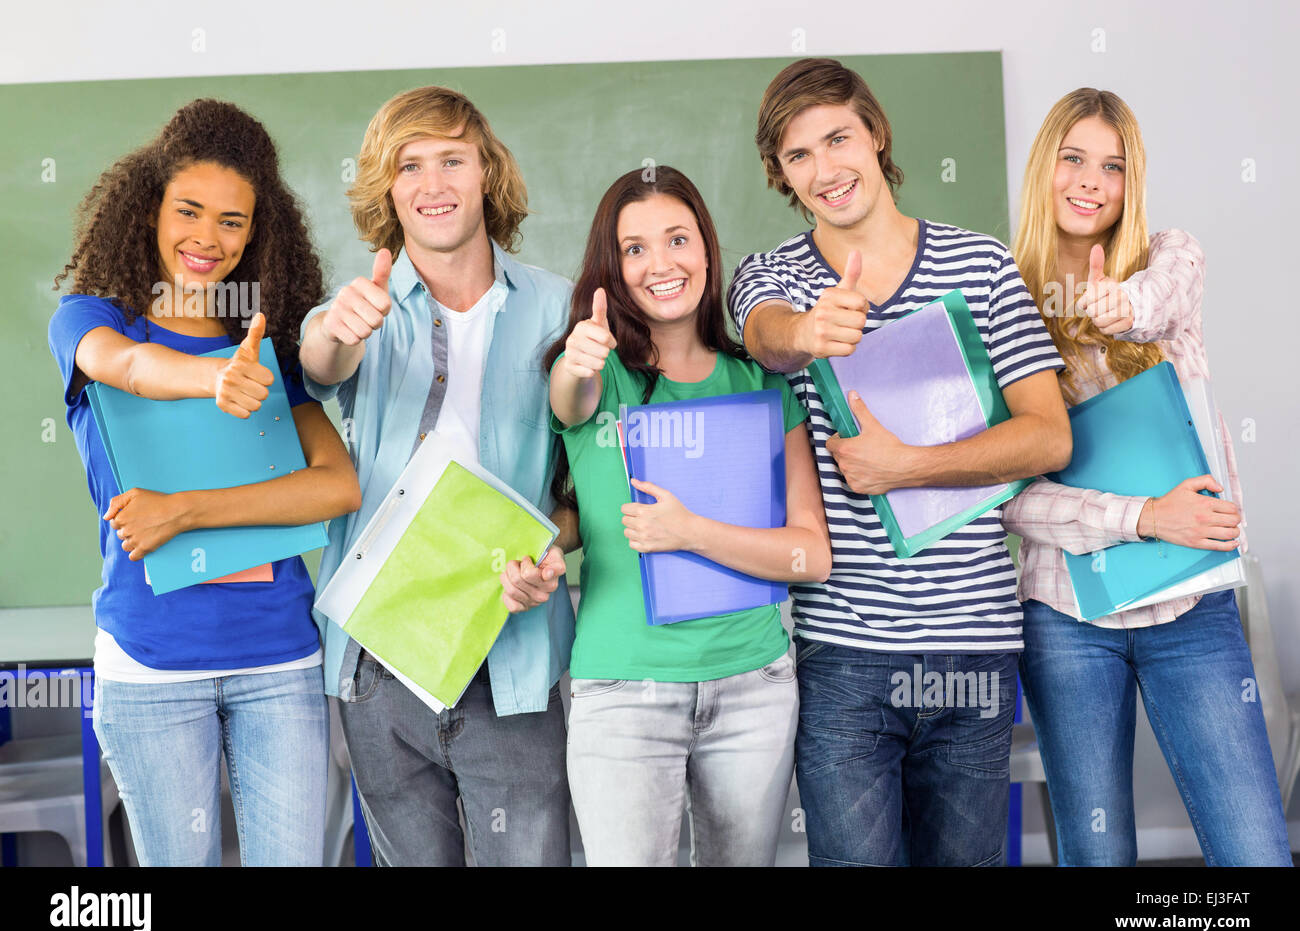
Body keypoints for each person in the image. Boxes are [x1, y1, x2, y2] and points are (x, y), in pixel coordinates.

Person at [727, 58, 1072, 866]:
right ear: (780, 173)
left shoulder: (981, 268)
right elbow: (762, 334)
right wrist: (810, 332)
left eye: (838, 138)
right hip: (844, 655)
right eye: (797, 155)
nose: (825, 169)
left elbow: (1048, 435)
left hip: (973, 643)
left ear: (876, 134)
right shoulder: (771, 276)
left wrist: (907, 465)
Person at [48, 99, 361, 866]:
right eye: (189, 210)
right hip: (152, 663)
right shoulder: (91, 318)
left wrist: (184, 512)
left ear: (256, 233)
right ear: (149, 208)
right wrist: (209, 377)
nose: (207, 238)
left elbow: (335, 487)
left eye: (233, 221)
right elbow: (122, 366)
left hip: (279, 661)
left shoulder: (267, 348)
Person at [1002, 87, 1292, 866]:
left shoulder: (1173, 260)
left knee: (1255, 855)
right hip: (1066, 617)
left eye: (1113, 166)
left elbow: (1155, 297)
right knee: (1098, 859)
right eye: (1073, 158)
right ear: (1044, 168)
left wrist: (1114, 305)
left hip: (1189, 605)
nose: (1091, 181)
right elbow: (1014, 499)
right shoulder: (1002, 308)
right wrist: (1145, 518)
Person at [297, 85, 577, 866]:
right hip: (379, 660)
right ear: (388, 189)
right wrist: (334, 331)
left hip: (508, 654)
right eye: (408, 166)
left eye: (451, 159)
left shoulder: (558, 309)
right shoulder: (360, 307)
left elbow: (580, 489)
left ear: (486, 170)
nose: (432, 184)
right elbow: (320, 363)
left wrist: (552, 553)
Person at [543, 165, 831, 866]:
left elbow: (810, 556)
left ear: (706, 248)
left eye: (678, 239)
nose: (661, 264)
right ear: (612, 268)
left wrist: (691, 533)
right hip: (623, 692)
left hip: (754, 686)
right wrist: (578, 356)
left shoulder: (763, 383)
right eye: (635, 248)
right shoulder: (595, 375)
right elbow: (567, 397)